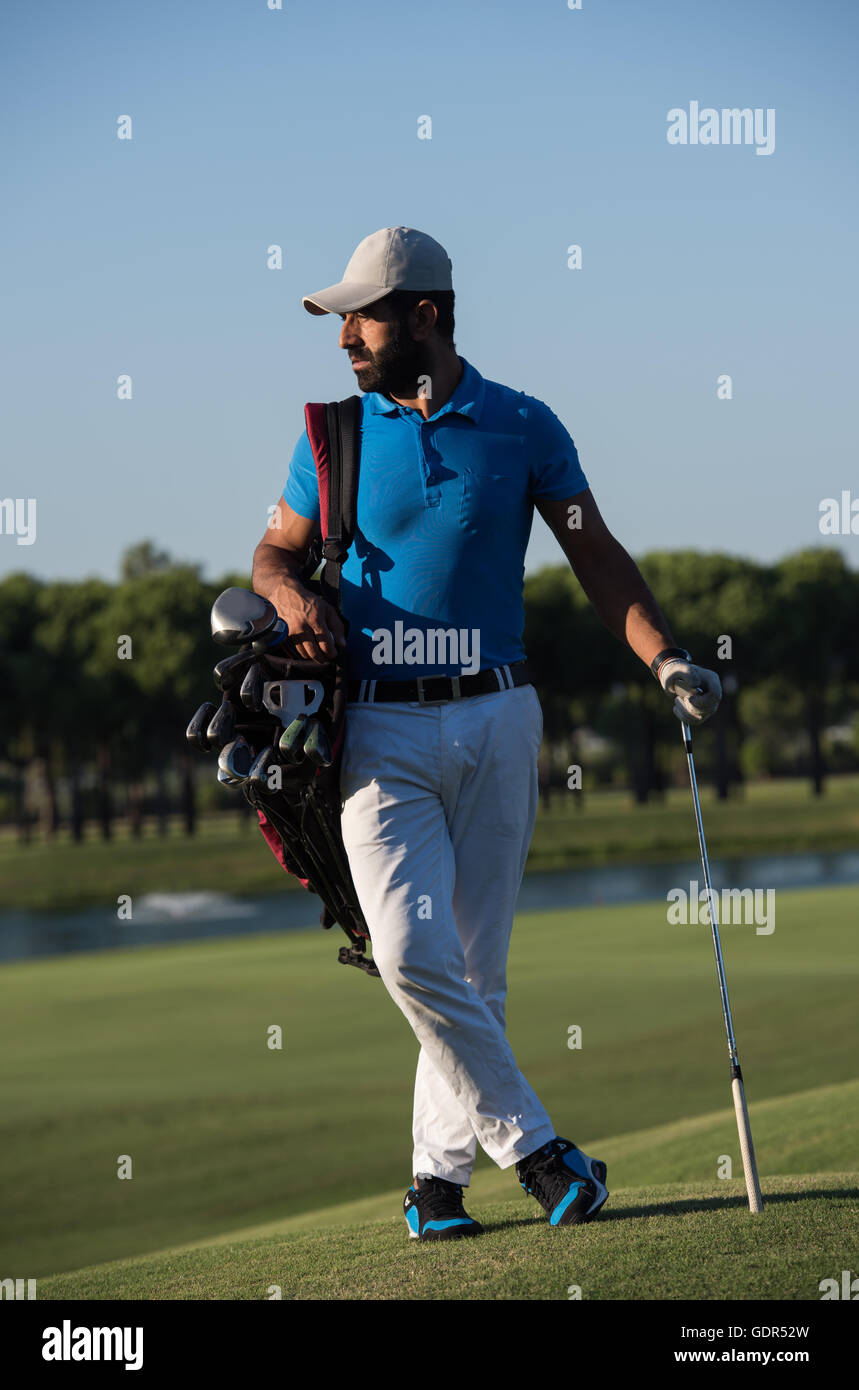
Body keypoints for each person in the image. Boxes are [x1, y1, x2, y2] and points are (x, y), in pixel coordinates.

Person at [252, 226, 722, 1240]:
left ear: (424, 314)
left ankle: (434, 1187)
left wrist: (666, 658)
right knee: (410, 952)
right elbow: (272, 552)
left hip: (500, 716)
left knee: (477, 966)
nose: (345, 340)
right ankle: (544, 1156)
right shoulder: (331, 436)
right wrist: (288, 591)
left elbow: (597, 556)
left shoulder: (521, 424)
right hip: (376, 729)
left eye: (361, 317)